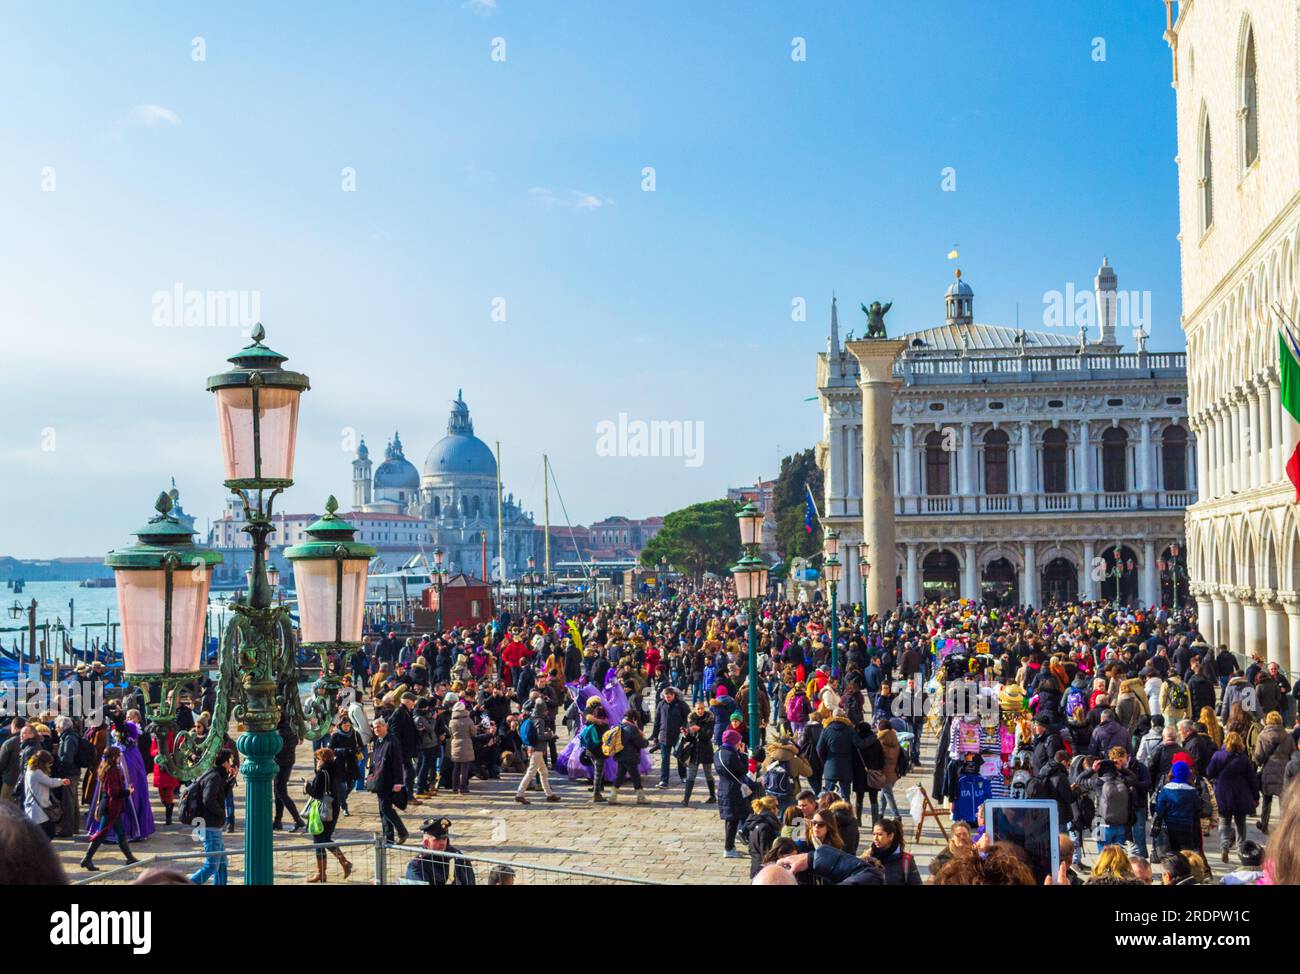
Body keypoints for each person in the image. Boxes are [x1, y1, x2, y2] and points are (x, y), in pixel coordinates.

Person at [1206, 731, 1260, 864]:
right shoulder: (1243, 758)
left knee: (1224, 822)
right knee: (1240, 822)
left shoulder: (1217, 756)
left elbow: (1209, 772)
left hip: (1223, 793)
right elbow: (1252, 778)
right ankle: (1240, 848)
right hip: (1241, 793)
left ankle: (1224, 846)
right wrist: (1256, 795)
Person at [185, 750, 233, 885]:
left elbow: (220, 794)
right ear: (225, 763)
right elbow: (208, 799)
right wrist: (221, 813)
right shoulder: (214, 777)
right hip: (209, 826)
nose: (232, 764)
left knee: (222, 864)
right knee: (212, 865)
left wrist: (230, 780)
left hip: (212, 825)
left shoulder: (216, 774)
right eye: (231, 761)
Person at [715, 729, 758, 858]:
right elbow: (743, 770)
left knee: (730, 820)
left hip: (724, 788)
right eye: (739, 742)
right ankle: (730, 847)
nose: (740, 744)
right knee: (741, 817)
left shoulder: (718, 753)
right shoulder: (732, 755)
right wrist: (744, 754)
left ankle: (730, 846)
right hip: (733, 791)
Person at [367, 716, 408, 844]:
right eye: (374, 727)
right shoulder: (379, 741)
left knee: (385, 808)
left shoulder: (392, 741)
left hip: (389, 780)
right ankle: (388, 837)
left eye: (379, 726)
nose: (376, 729)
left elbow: (397, 762)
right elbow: (375, 761)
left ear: (385, 727)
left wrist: (398, 782)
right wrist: (370, 775)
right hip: (380, 780)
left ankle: (402, 832)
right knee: (382, 809)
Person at [404, 817, 476, 885]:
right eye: (437, 840)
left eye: (444, 838)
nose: (442, 843)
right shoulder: (418, 865)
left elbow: (469, 881)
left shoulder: (457, 857)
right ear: (426, 842)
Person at [1254, 710, 1293, 834]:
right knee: (1283, 801)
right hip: (1284, 771)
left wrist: (1259, 762)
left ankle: (1264, 824)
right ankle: (1284, 826)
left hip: (1268, 771)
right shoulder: (1288, 736)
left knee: (1267, 799)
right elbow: (1293, 754)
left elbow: (1259, 756)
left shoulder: (1262, 736)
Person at [515, 702, 562, 804]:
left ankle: (549, 794)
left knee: (544, 772)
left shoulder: (531, 718)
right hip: (537, 750)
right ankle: (519, 794)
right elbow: (540, 736)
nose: (547, 712)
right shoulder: (540, 720)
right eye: (545, 710)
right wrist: (550, 735)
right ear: (542, 710)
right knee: (531, 772)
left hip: (533, 748)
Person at [1152, 761, 1202, 854]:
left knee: (1172, 853)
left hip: (1170, 826)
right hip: (1187, 826)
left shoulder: (1166, 790)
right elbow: (1198, 808)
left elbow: (1159, 810)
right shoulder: (1192, 791)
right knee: (1186, 853)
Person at [23, 750, 69, 840]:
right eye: (49, 763)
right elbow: (50, 782)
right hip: (38, 808)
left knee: (41, 834)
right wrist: (62, 781)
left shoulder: (30, 770)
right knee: (47, 833)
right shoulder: (37, 773)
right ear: (43, 763)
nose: (49, 766)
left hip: (34, 807)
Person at [651, 686, 690, 788]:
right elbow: (657, 720)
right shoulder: (661, 704)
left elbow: (688, 719)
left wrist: (684, 728)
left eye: (669, 696)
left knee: (680, 757)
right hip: (664, 736)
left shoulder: (681, 705)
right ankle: (664, 780)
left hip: (678, 736)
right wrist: (655, 735)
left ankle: (683, 776)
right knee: (665, 759)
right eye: (666, 696)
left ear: (674, 695)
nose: (667, 698)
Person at [273, 714, 305, 833]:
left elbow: (279, 749)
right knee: (277, 792)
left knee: (281, 792)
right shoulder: (290, 728)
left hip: (281, 763)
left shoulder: (280, 732)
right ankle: (277, 821)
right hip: (288, 761)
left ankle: (298, 820)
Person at [817, 707, 856, 802]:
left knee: (827, 796)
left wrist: (825, 760)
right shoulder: (850, 730)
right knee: (846, 796)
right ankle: (846, 814)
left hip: (830, 764)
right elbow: (855, 747)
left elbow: (819, 748)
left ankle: (826, 814)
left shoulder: (826, 729)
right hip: (846, 765)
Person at [866, 817, 922, 885]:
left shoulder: (906, 860)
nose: (875, 838)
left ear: (890, 836)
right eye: (874, 834)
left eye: (880, 834)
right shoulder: (867, 857)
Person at [609, 711, 649, 804]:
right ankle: (641, 798)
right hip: (630, 757)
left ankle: (612, 797)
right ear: (634, 719)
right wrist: (645, 740)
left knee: (619, 777)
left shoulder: (619, 726)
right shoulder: (632, 729)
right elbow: (641, 743)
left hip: (620, 756)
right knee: (636, 777)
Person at [680, 700, 716, 806]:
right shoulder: (691, 719)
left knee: (708, 774)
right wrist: (686, 733)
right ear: (695, 709)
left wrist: (699, 730)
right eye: (698, 709)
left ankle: (712, 796)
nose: (700, 710)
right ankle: (686, 799)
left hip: (706, 750)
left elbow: (708, 736)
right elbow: (690, 738)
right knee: (691, 775)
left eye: (702, 708)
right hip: (694, 750)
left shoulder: (709, 719)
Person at [741, 795, 781, 879]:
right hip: (763, 871)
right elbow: (766, 853)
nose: (779, 809)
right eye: (777, 806)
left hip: (757, 867)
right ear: (771, 809)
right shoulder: (765, 827)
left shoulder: (757, 822)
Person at [447, 701, 476, 794]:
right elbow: (473, 733)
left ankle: (454, 787)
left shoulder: (451, 721)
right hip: (466, 744)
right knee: (464, 768)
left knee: (456, 767)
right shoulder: (468, 720)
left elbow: (450, 734)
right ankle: (463, 787)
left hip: (455, 744)